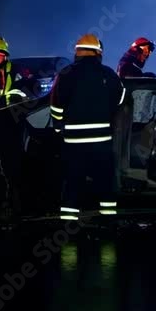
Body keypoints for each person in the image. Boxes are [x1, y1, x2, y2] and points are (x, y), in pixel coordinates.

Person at [50, 34, 126, 220]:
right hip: (102, 141)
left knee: (73, 184)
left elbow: (56, 105)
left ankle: (68, 226)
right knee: (105, 183)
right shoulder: (108, 74)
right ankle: (108, 222)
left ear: (77, 52)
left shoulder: (66, 74)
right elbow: (122, 98)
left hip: (74, 143)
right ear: (98, 52)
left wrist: (59, 127)